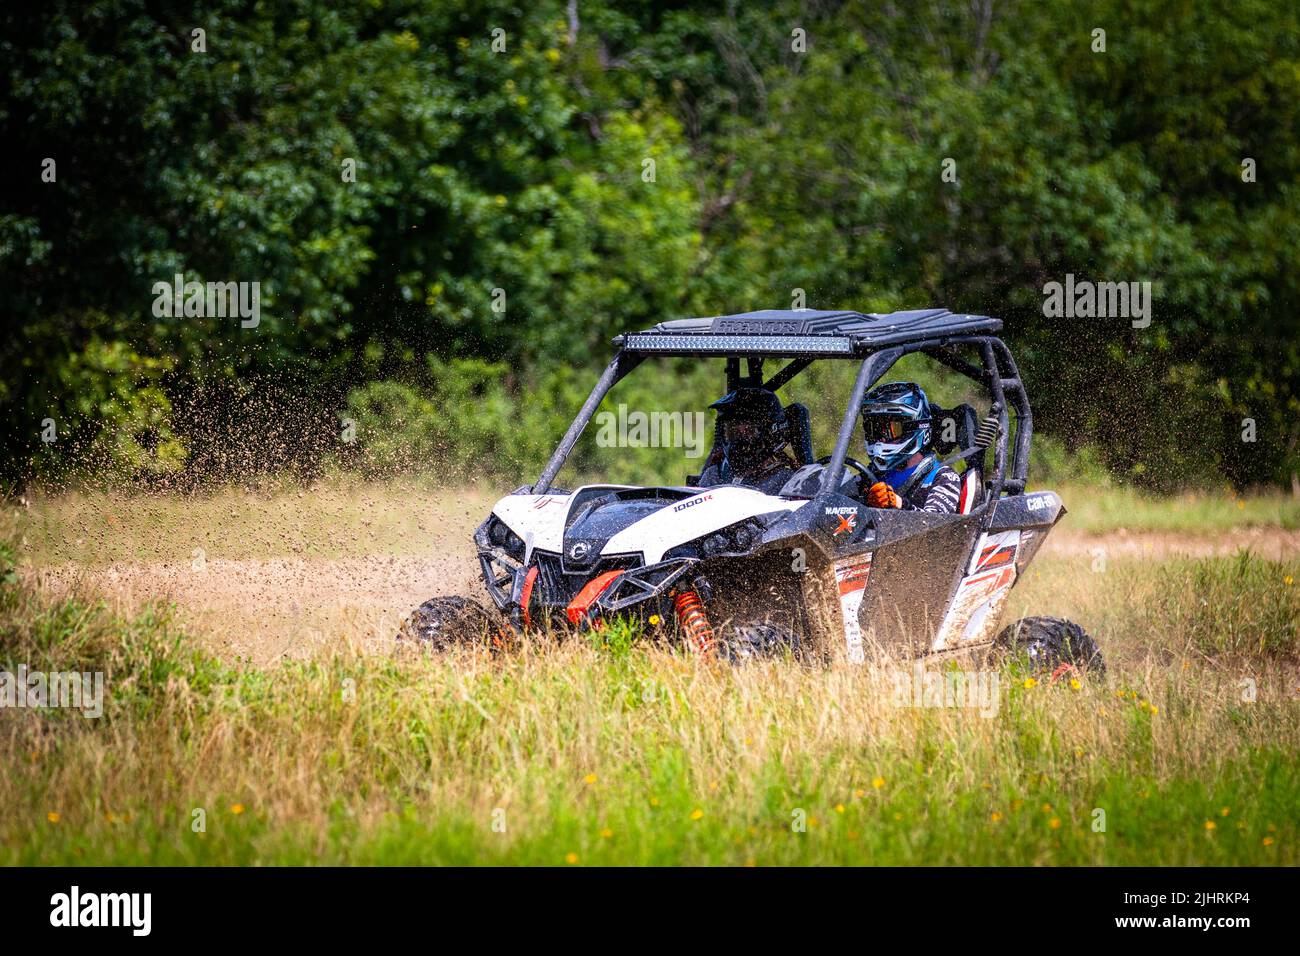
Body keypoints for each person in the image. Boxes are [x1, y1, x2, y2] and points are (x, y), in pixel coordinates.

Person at [858, 381, 962, 514]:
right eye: (874, 430)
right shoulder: (872, 473)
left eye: (892, 430)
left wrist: (898, 503)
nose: (882, 439)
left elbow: (935, 527)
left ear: (916, 428)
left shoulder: (943, 477)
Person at [697, 388, 797, 496]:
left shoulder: (787, 483)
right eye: (733, 426)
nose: (740, 431)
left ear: (772, 432)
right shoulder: (714, 476)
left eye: (749, 426)